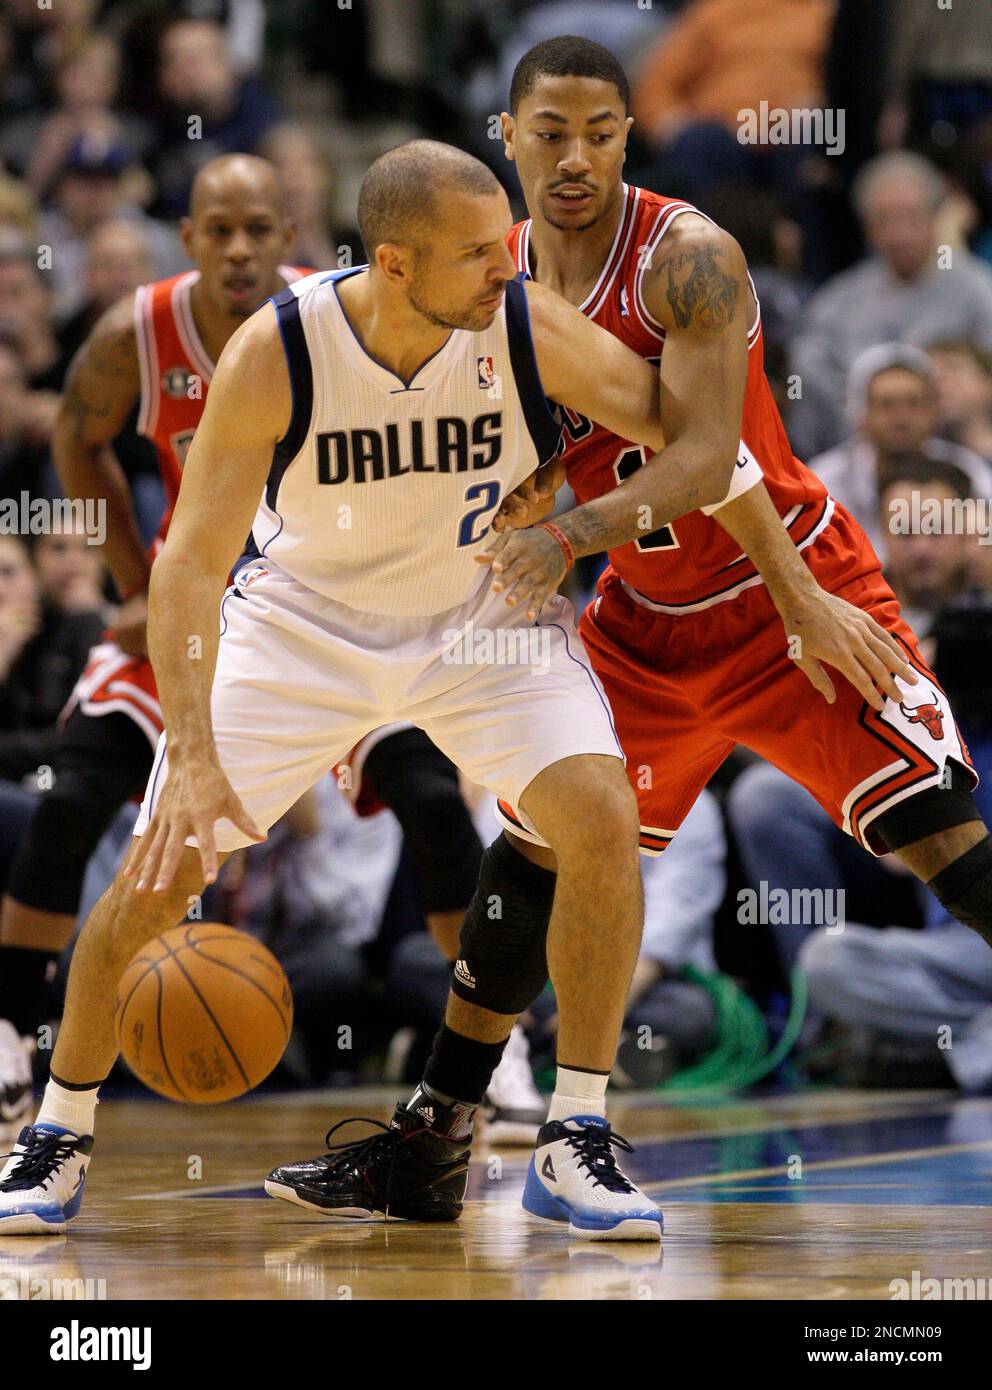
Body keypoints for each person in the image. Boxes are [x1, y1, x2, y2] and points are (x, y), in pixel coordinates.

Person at [1, 138, 691, 1242]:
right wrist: (190, 747)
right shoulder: (280, 350)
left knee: (601, 813)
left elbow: (682, 427)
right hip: (300, 630)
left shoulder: (520, 321)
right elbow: (186, 563)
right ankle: (59, 1132)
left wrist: (574, 504)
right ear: (396, 262)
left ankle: (574, 1133)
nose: (505, 268)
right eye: (477, 252)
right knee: (153, 873)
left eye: (504, 244)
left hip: (477, 619)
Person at [478, 39, 990, 1087]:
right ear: (507, 137)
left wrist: (566, 536)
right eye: (548, 133)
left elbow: (710, 456)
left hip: (782, 583)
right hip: (641, 617)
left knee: (940, 836)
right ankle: (443, 1118)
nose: (574, 156)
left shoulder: (686, 251)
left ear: (629, 135)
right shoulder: (494, 274)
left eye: (599, 132)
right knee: (537, 838)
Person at [0, 153, 306, 1139]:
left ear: (288, 234)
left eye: (258, 229)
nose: (240, 249)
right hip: (184, 608)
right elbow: (75, 442)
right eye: (219, 230)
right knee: (74, 792)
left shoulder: (331, 322)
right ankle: (10, 1030)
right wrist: (135, 578)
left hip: (315, 622)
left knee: (433, 800)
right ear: (189, 239)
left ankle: (495, 1061)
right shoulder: (141, 328)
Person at [790, 151, 992, 449]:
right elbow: (809, 370)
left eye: (912, 216)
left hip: (954, 451)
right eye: (885, 220)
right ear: (868, 230)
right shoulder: (837, 301)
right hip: (857, 451)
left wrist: (975, 392)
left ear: (934, 217)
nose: (901, 235)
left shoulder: (978, 289)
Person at [809, 344, 992, 561]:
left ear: (932, 411)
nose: (901, 418)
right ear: (862, 413)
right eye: (887, 405)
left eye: (913, 403)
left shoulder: (965, 468)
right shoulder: (823, 482)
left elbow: (986, 546)